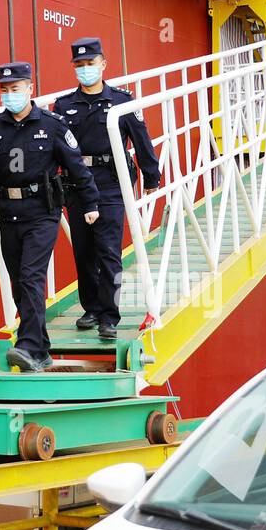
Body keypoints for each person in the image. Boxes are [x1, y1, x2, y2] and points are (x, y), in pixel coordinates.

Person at [0, 62, 100, 372]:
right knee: (17, 283)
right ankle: (41, 348)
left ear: (29, 89)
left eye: (16, 89)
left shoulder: (52, 125)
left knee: (31, 276)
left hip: (42, 214)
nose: (10, 95)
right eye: (5, 91)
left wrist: (91, 204)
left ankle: (29, 347)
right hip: (9, 216)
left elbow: (77, 168)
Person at [53, 37, 161, 340]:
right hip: (77, 184)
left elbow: (141, 137)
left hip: (110, 182)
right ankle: (91, 308)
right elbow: (56, 146)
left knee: (109, 250)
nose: (86, 69)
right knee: (84, 249)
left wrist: (151, 177)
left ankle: (109, 315)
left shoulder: (122, 101)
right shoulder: (63, 106)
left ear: (103, 64)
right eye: (80, 65)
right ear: (74, 68)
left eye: (91, 63)